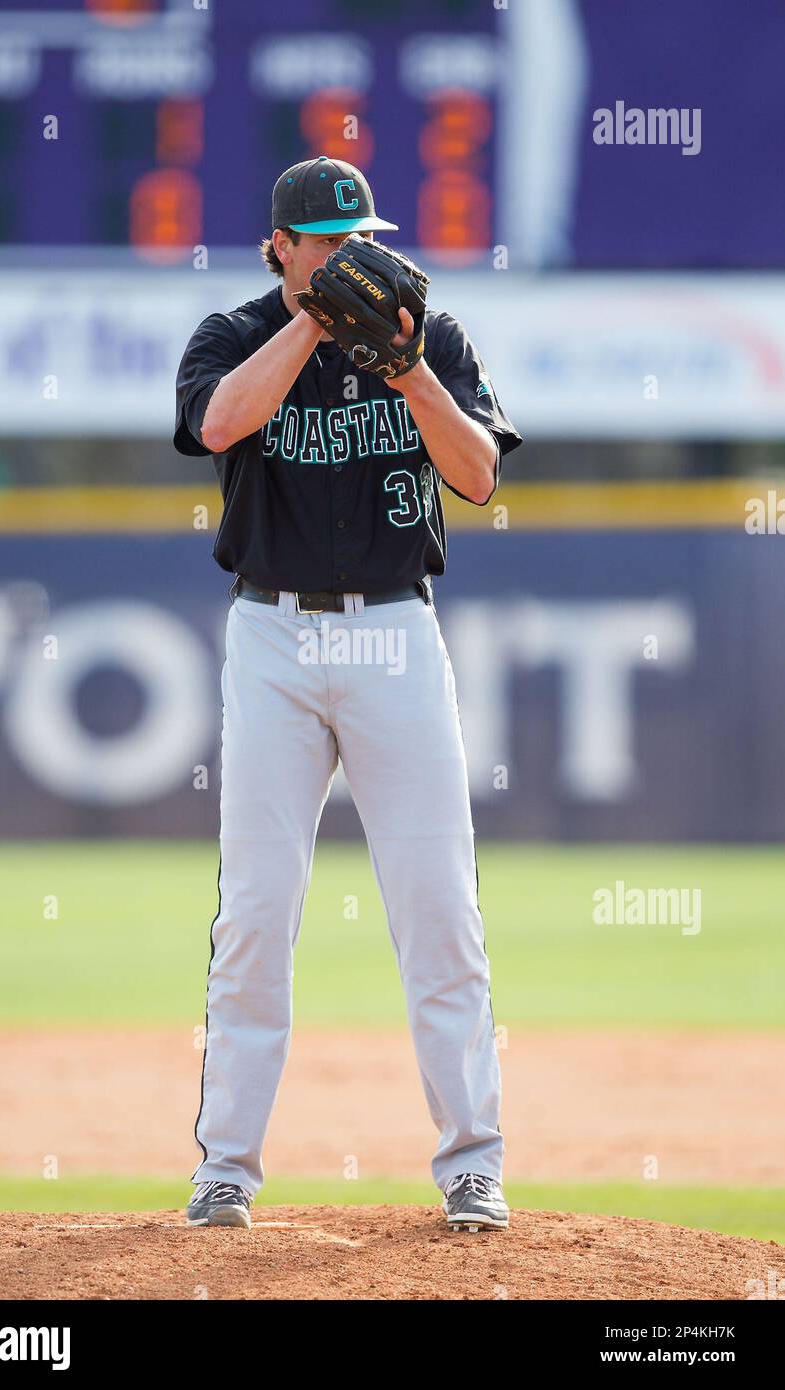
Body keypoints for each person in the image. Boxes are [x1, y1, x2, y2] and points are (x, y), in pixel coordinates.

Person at [173, 156, 522, 1233]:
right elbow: (220, 424)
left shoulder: (431, 333)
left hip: (394, 629)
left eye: (357, 237)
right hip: (270, 631)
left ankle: (471, 1164)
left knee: (438, 909)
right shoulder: (230, 335)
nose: (347, 256)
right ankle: (223, 1168)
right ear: (279, 246)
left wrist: (410, 367)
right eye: (324, 242)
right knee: (255, 916)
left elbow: (477, 475)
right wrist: (314, 322)